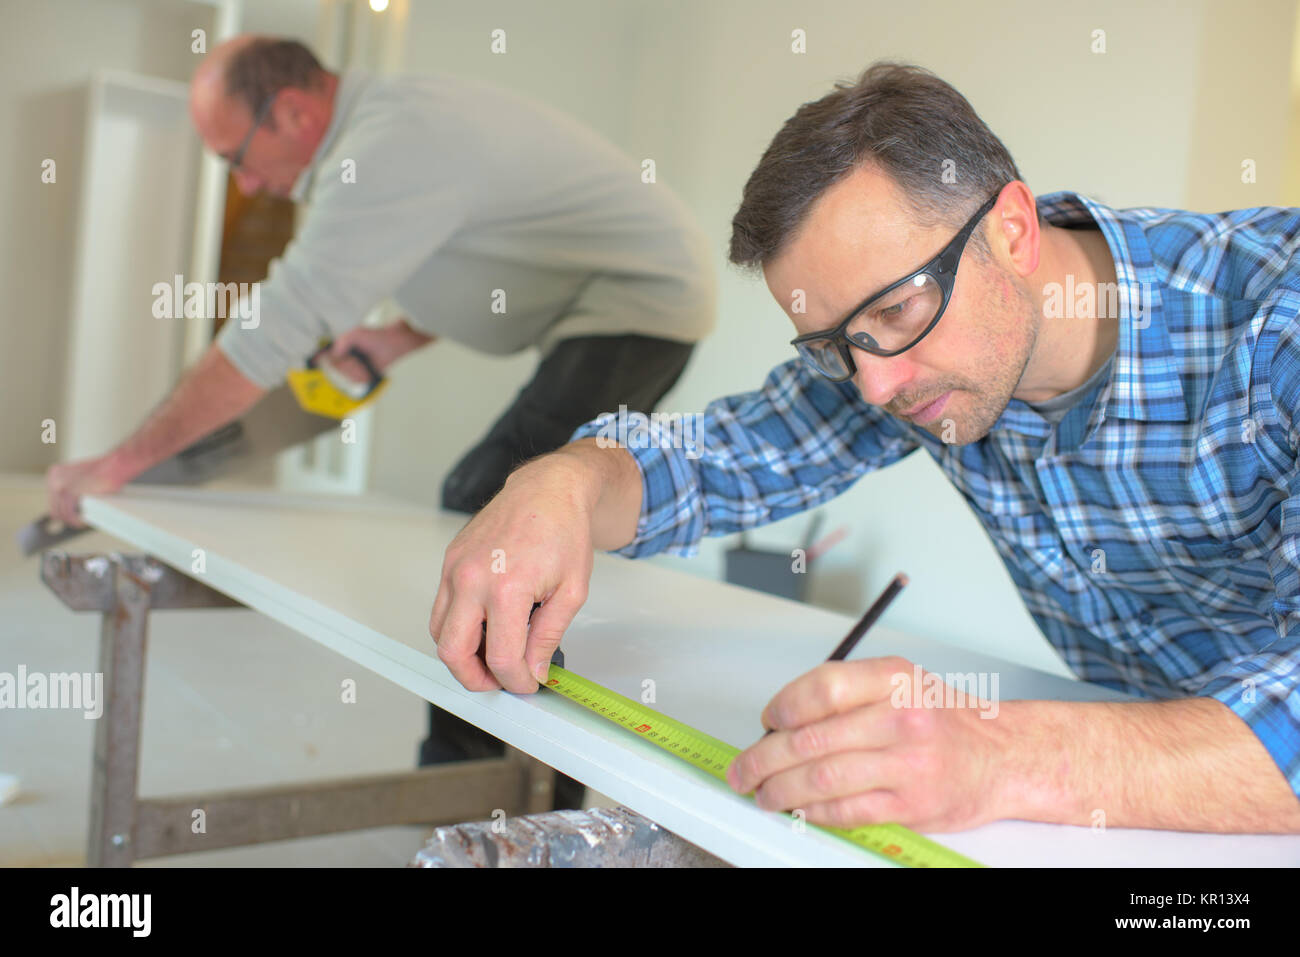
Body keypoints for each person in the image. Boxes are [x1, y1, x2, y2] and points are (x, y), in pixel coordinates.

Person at [429, 61, 1300, 833]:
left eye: (895, 311)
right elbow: (713, 459)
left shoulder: (1277, 322)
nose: (876, 385)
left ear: (1015, 231)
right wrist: (565, 484)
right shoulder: (899, 360)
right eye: (833, 347)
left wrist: (1002, 754)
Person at [44, 36, 717, 809]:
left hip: (644, 301)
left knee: (499, 505)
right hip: (599, 302)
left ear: (293, 111)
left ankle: (496, 793)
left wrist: (120, 463)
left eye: (237, 157)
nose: (250, 185)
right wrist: (399, 337)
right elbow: (494, 249)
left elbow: (274, 329)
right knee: (499, 502)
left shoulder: (391, 145)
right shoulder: (383, 137)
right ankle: (482, 773)